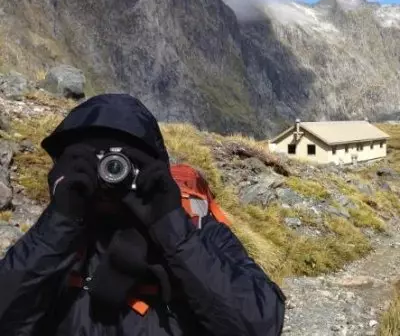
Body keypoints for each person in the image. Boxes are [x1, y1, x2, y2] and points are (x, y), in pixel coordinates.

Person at [0, 93, 286, 336]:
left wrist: (172, 228)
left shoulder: (195, 227)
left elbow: (260, 325)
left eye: (122, 163)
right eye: (90, 161)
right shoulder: (58, 236)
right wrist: (60, 220)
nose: (109, 174)